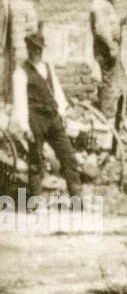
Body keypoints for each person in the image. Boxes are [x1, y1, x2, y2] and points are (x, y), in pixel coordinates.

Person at [11, 32, 81, 196]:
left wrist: (63, 111)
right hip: (35, 120)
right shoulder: (20, 73)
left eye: (39, 49)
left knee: (68, 156)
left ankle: (77, 198)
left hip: (53, 118)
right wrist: (24, 126)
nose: (36, 52)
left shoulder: (47, 67)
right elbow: (20, 101)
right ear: (28, 49)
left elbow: (56, 90)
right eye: (33, 48)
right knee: (36, 160)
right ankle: (35, 201)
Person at [89, 0, 127, 117]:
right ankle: (108, 115)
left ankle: (114, 113)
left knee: (115, 81)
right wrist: (112, 48)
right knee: (109, 83)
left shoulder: (108, 4)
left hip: (111, 48)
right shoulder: (99, 5)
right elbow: (101, 29)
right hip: (105, 50)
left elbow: (115, 24)